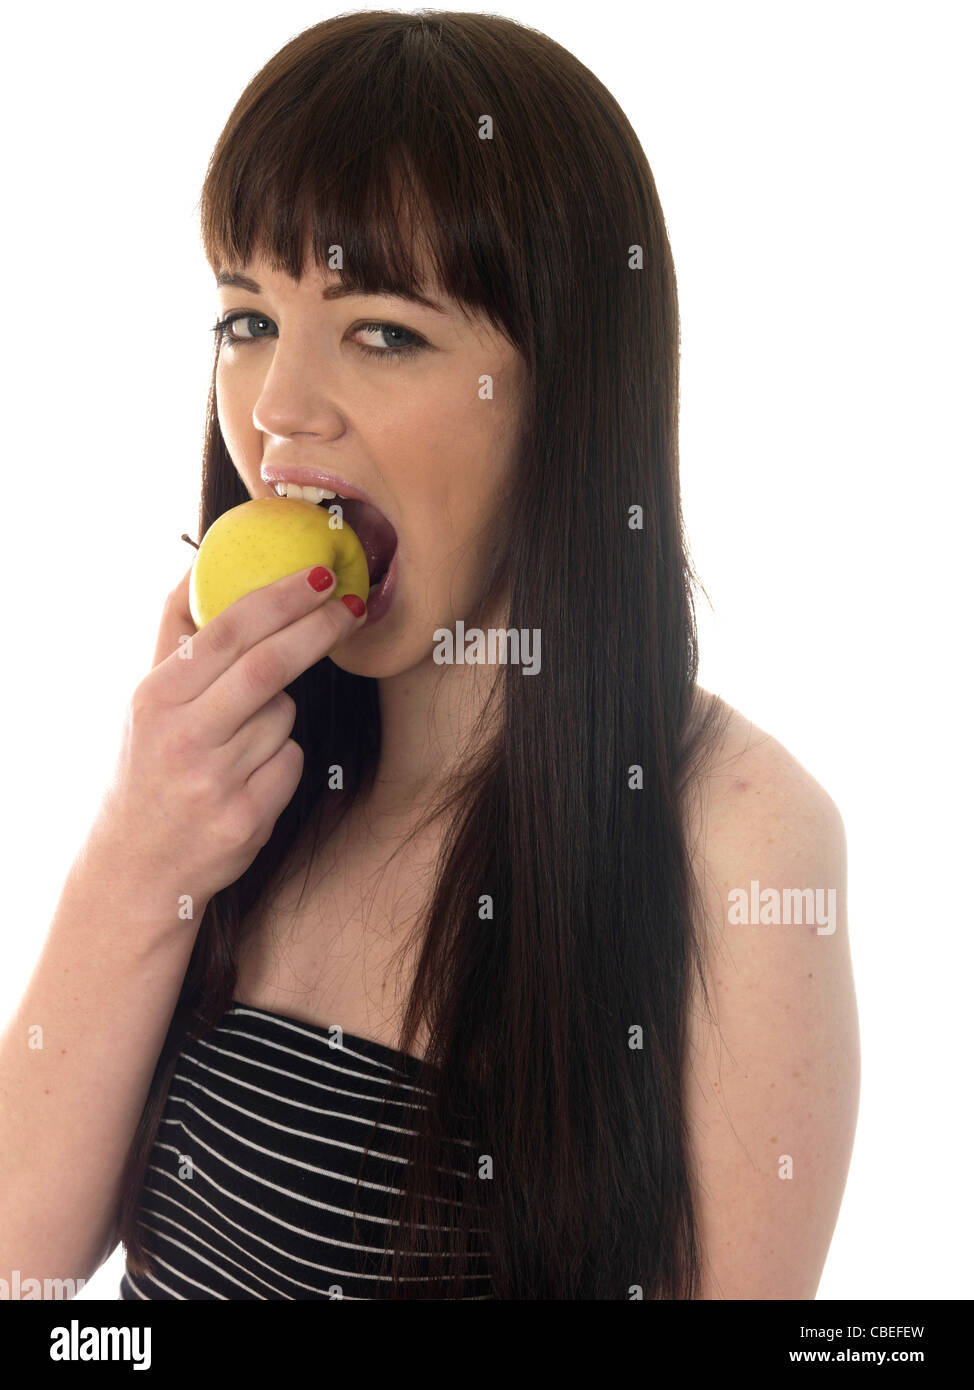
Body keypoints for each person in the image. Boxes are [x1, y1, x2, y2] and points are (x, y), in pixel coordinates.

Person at [0, 11, 858, 1300]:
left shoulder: (737, 836)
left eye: (384, 332)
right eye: (246, 318)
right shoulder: (238, 776)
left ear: (566, 388)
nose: (279, 409)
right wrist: (138, 855)